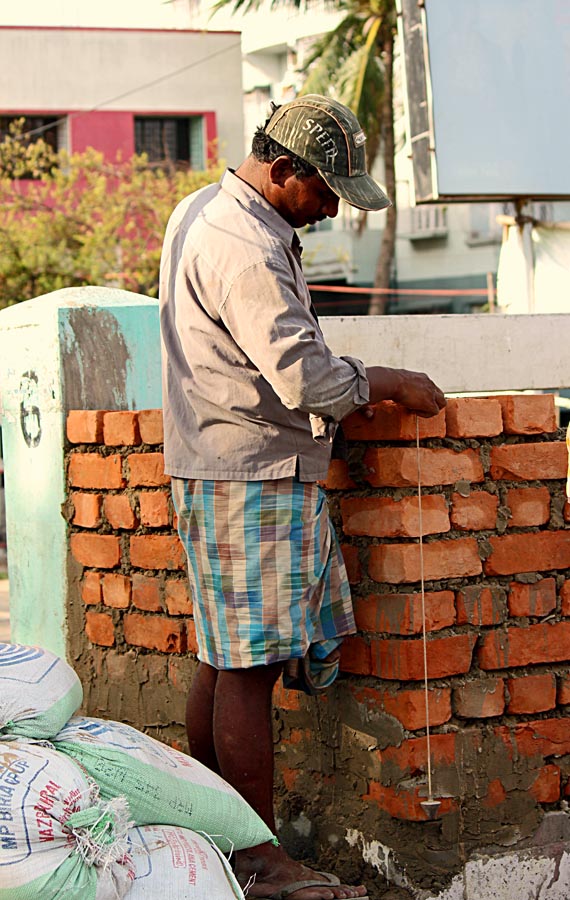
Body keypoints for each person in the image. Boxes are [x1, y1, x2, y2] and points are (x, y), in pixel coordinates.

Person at [159, 94, 446, 900]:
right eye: (322, 192)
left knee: (223, 659)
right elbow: (305, 376)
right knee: (249, 669)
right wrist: (387, 381)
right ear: (280, 168)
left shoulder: (205, 208)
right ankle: (259, 861)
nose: (326, 211)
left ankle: (211, 834)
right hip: (249, 469)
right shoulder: (245, 243)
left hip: (215, 460)